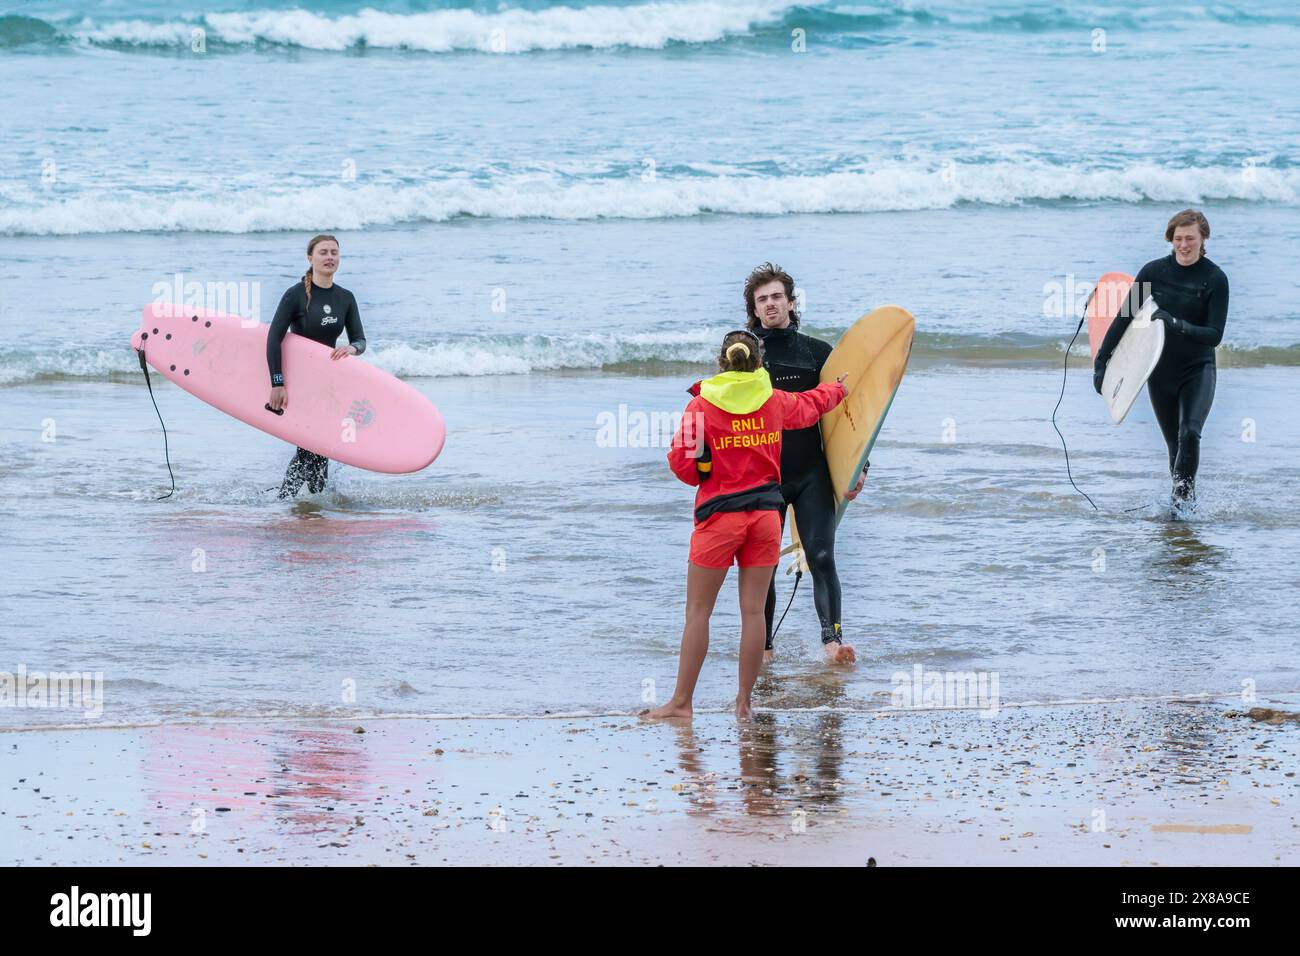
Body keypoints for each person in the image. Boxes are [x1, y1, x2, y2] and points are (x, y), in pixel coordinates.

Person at [642, 330, 847, 720]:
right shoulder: (773, 400)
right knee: (753, 614)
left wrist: (706, 465)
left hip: (719, 519)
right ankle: (744, 704)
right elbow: (811, 405)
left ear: (722, 361)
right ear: (759, 361)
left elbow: (682, 467)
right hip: (765, 519)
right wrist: (838, 389)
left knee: (699, 613)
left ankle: (682, 704)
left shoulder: (701, 407)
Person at [745, 263, 866, 664]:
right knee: (762, 566)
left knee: (822, 557)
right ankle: (763, 648)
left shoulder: (817, 353)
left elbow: (850, 418)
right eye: (762, 300)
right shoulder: (745, 358)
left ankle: (832, 641)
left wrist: (858, 469)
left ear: (791, 303)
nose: (770, 305)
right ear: (754, 309)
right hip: (767, 475)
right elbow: (727, 414)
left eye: (777, 296)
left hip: (812, 473)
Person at [1093, 210, 1229, 515]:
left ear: (1203, 238)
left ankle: (1181, 506)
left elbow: (1214, 335)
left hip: (1197, 368)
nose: (1183, 245)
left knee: (1190, 433)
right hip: (1159, 370)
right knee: (1174, 444)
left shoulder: (1215, 279)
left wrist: (1177, 323)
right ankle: (1183, 508)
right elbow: (1125, 316)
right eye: (1178, 238)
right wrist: (1103, 362)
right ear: (1171, 239)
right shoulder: (1153, 272)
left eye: (1190, 238)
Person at [266, 233, 368, 498]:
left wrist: (351, 348)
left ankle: (307, 505)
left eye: (334, 252)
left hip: (328, 383)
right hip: (299, 383)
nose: (329, 257)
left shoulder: (346, 298)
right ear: (310, 257)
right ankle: (294, 501)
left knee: (319, 445)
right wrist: (277, 383)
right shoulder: (295, 295)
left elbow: (360, 339)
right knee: (309, 445)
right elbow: (273, 339)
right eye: (323, 252)